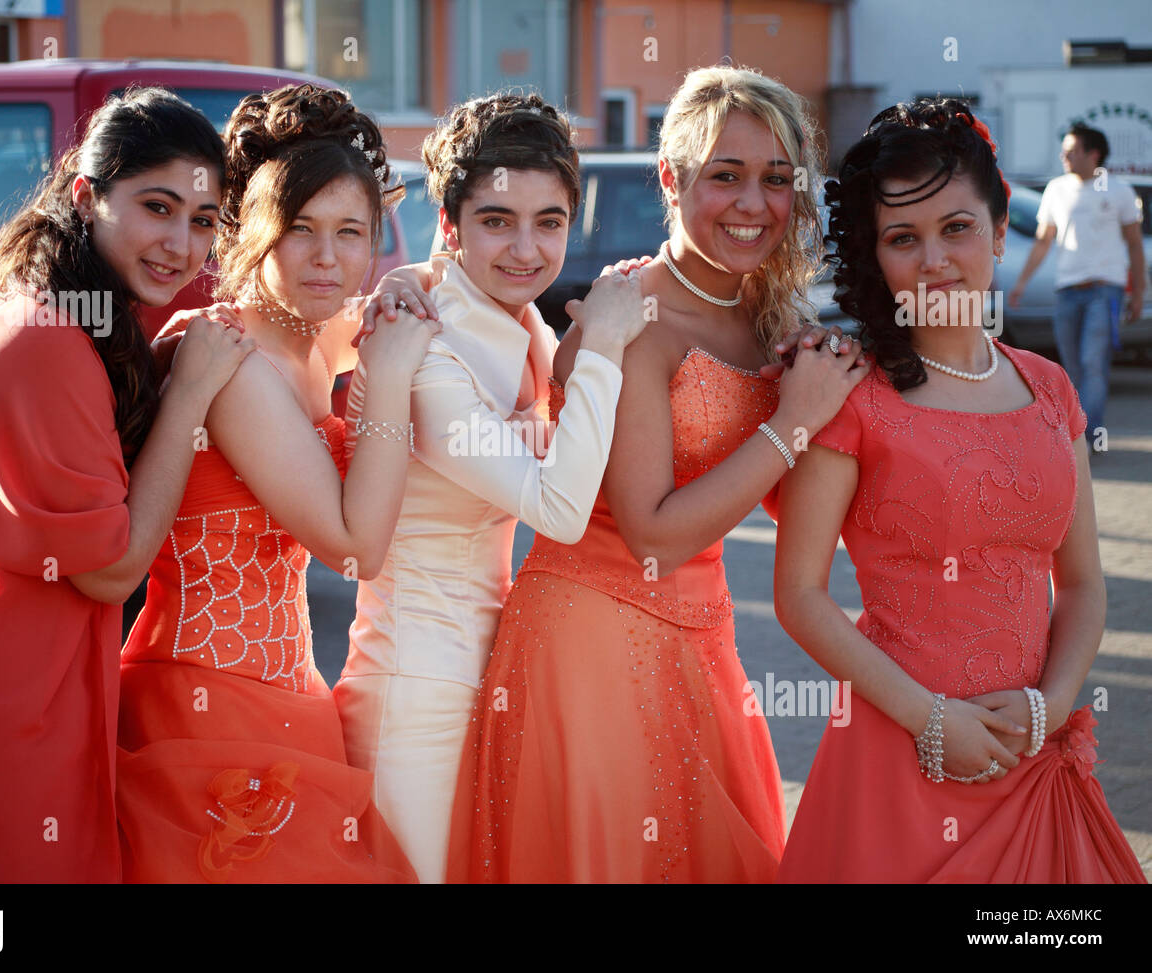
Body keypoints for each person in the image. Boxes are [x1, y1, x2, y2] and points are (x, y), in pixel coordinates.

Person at [446, 65, 868, 883]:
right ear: (671, 178)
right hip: (592, 639)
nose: (754, 203)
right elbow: (653, 531)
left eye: (776, 179)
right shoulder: (634, 317)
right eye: (726, 176)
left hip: (705, 639)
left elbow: (771, 501)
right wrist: (790, 424)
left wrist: (825, 398)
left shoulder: (769, 316)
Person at [0, 88, 254, 883]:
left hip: (18, 708)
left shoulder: (77, 322)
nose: (181, 242)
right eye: (157, 206)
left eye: (203, 220)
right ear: (86, 196)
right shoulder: (49, 340)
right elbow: (110, 567)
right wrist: (188, 396)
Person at [775, 99, 1145, 883]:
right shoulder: (849, 389)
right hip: (896, 754)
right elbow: (799, 595)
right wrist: (930, 717)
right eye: (902, 238)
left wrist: (1049, 708)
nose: (934, 258)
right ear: (875, 256)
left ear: (1001, 224)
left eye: (957, 228)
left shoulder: (1049, 388)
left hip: (1032, 756)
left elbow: (1081, 586)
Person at [114, 84, 434, 883]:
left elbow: (399, 304)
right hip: (203, 695)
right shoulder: (232, 358)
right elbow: (356, 546)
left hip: (297, 694)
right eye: (299, 231)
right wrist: (389, 377)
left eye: (350, 233)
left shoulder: (311, 335)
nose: (327, 258)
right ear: (253, 232)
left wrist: (406, 290)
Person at [330, 93, 649, 883]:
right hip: (416, 689)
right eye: (496, 219)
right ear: (451, 222)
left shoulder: (518, 322)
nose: (526, 247)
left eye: (549, 221)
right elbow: (558, 507)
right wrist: (603, 342)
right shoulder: (427, 347)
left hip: (497, 673)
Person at [1008, 122, 1146, 447]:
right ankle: (1079, 431)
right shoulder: (1056, 189)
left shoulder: (1119, 190)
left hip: (1105, 290)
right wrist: (1021, 283)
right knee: (1071, 369)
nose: (1064, 156)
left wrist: (1137, 291)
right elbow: (1043, 241)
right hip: (1067, 291)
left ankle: (1087, 439)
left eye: (1070, 151)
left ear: (1092, 154)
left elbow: (1135, 244)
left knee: (1093, 364)